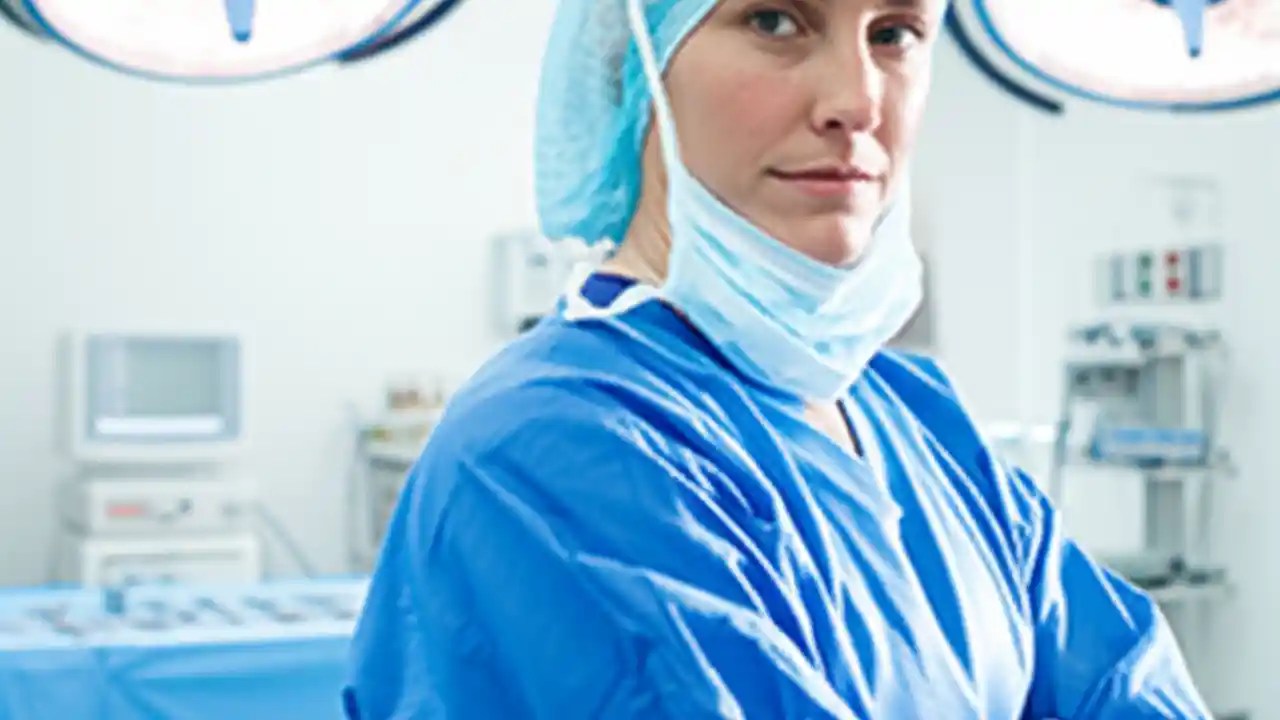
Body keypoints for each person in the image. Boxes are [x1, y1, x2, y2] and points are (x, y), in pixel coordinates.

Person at [343, 0, 1210, 717]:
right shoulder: (547, 454)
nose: (858, 100)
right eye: (776, 22)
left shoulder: (914, 416)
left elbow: (1124, 683)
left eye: (894, 33)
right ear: (630, 70)